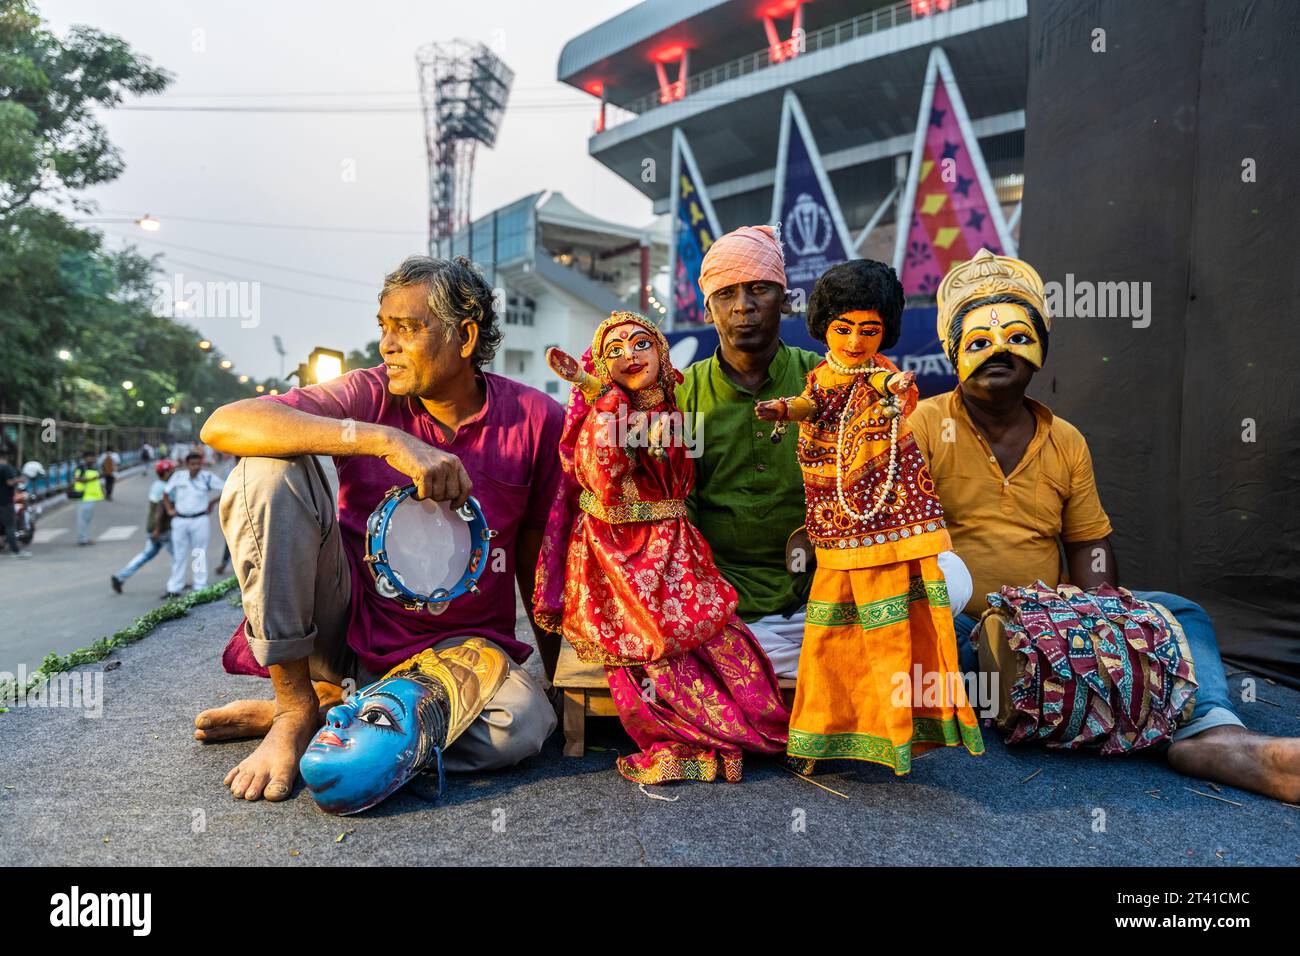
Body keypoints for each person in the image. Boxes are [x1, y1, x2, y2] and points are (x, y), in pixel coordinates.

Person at [909, 248, 1300, 802]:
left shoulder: (1065, 439)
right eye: (978, 341)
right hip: (962, 632)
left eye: (1015, 336)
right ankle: (1102, 704)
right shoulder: (923, 424)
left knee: (1181, 612)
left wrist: (1100, 621)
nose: (998, 350)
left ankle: (1215, 735)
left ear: (1041, 348)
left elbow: (1089, 542)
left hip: (1052, 621)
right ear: (953, 353)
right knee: (951, 640)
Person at [194, 255, 561, 803]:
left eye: (408, 329)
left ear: (464, 336)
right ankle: (295, 711)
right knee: (268, 471)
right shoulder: (369, 394)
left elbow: (537, 558)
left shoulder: (536, 419)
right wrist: (389, 441)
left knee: (522, 726)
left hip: (453, 659)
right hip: (343, 631)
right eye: (384, 328)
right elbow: (224, 423)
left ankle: (338, 713)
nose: (387, 345)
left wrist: (557, 682)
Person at [676, 226, 974, 682]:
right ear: (708, 307)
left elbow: (878, 485)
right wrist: (703, 594)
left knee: (951, 577)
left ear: (786, 299)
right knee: (674, 636)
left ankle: (795, 657)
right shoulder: (683, 392)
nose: (743, 307)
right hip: (725, 601)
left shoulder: (829, 377)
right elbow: (679, 510)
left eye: (759, 289)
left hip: (828, 586)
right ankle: (821, 657)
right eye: (726, 294)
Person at [537, 312, 788, 784]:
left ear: (661, 352)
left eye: (640, 344)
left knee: (721, 640)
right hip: (612, 558)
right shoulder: (598, 418)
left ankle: (762, 727)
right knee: (648, 648)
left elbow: (670, 451)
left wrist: (604, 395)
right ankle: (690, 737)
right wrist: (600, 396)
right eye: (615, 351)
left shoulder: (673, 414)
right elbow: (606, 478)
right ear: (603, 366)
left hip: (673, 547)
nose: (629, 356)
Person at [755, 260, 981, 774]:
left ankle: (897, 734)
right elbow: (814, 404)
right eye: (843, 328)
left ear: (886, 331)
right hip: (834, 523)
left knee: (897, 626)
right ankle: (823, 736)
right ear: (823, 327)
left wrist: (892, 398)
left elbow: (897, 394)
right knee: (830, 634)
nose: (855, 341)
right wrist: (785, 410)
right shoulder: (821, 376)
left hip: (888, 525)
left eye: (869, 329)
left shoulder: (883, 378)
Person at [162, 451, 224, 598]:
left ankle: (199, 586)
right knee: (179, 554)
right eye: (192, 464)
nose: (195, 467)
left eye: (198, 464)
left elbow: (227, 488)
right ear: (186, 464)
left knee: (199, 553)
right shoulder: (178, 477)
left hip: (200, 519)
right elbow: (165, 493)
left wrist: (212, 503)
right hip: (180, 520)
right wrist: (169, 509)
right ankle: (174, 587)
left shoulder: (207, 477)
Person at [111, 459, 175, 593]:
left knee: (146, 555)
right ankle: (175, 584)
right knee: (177, 556)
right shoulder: (164, 488)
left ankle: (120, 576)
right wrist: (158, 529)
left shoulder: (157, 485)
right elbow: (159, 511)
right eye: (171, 471)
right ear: (165, 473)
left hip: (153, 527)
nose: (173, 473)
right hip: (162, 528)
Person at [0, 447, 33, 559]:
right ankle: (15, 551)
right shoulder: (5, 468)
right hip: (5, 501)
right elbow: (9, 482)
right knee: (10, 526)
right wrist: (20, 480)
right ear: (5, 457)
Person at [71, 450, 104, 545]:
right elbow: (77, 479)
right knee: (82, 519)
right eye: (92, 457)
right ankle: (81, 539)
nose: (94, 459)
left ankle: (85, 537)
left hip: (92, 497)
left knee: (87, 519)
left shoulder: (94, 467)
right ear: (86, 458)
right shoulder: (81, 468)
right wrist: (90, 479)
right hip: (84, 497)